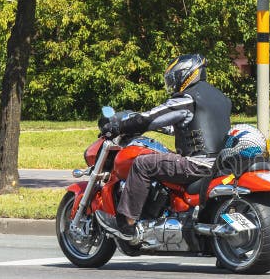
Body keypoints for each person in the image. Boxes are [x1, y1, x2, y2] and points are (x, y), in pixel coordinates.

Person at [97, 53, 232, 240]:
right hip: (220, 164)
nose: (173, 83)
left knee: (142, 163)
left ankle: (126, 224)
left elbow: (151, 118)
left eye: (174, 78)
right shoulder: (220, 97)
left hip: (196, 164)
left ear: (186, 75)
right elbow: (190, 126)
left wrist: (120, 126)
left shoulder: (187, 98)